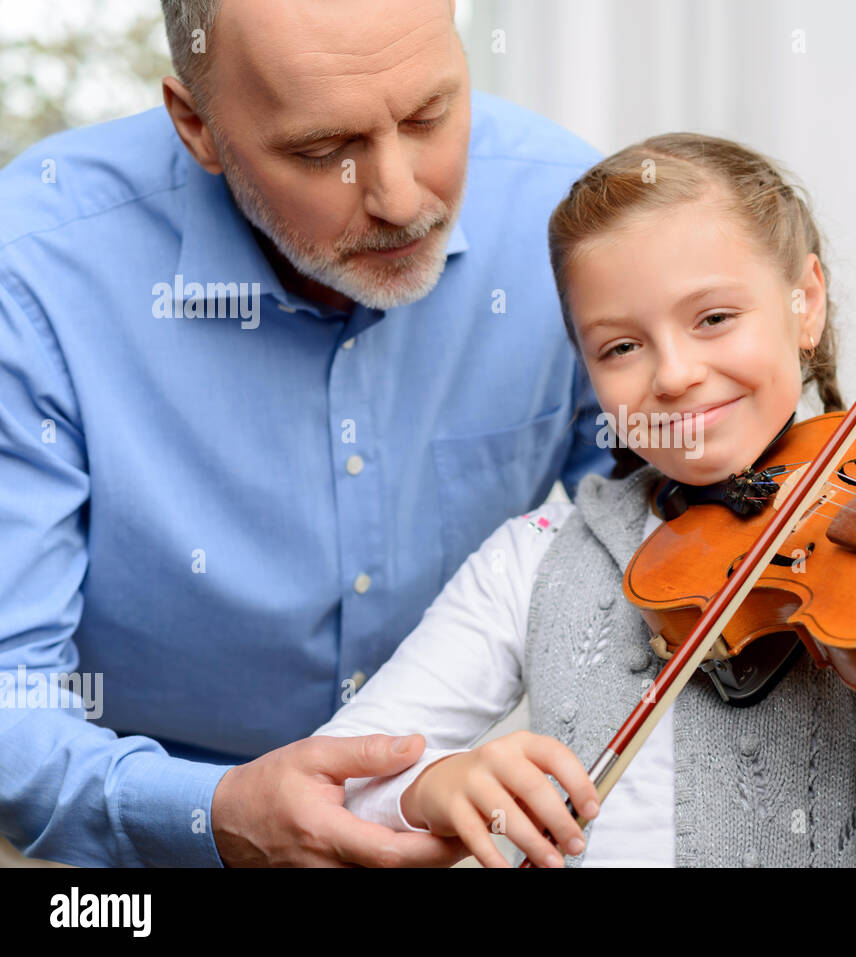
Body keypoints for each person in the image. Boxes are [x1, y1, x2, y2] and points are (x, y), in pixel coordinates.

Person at [315, 132, 856, 867]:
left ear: (804, 301)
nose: (673, 374)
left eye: (713, 318)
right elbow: (335, 778)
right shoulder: (533, 557)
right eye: (620, 346)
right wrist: (429, 786)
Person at [0, 0, 609, 867]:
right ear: (197, 126)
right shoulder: (31, 270)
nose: (401, 198)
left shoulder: (569, 218)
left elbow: (652, 542)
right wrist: (208, 812)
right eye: (325, 151)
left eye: (429, 116)